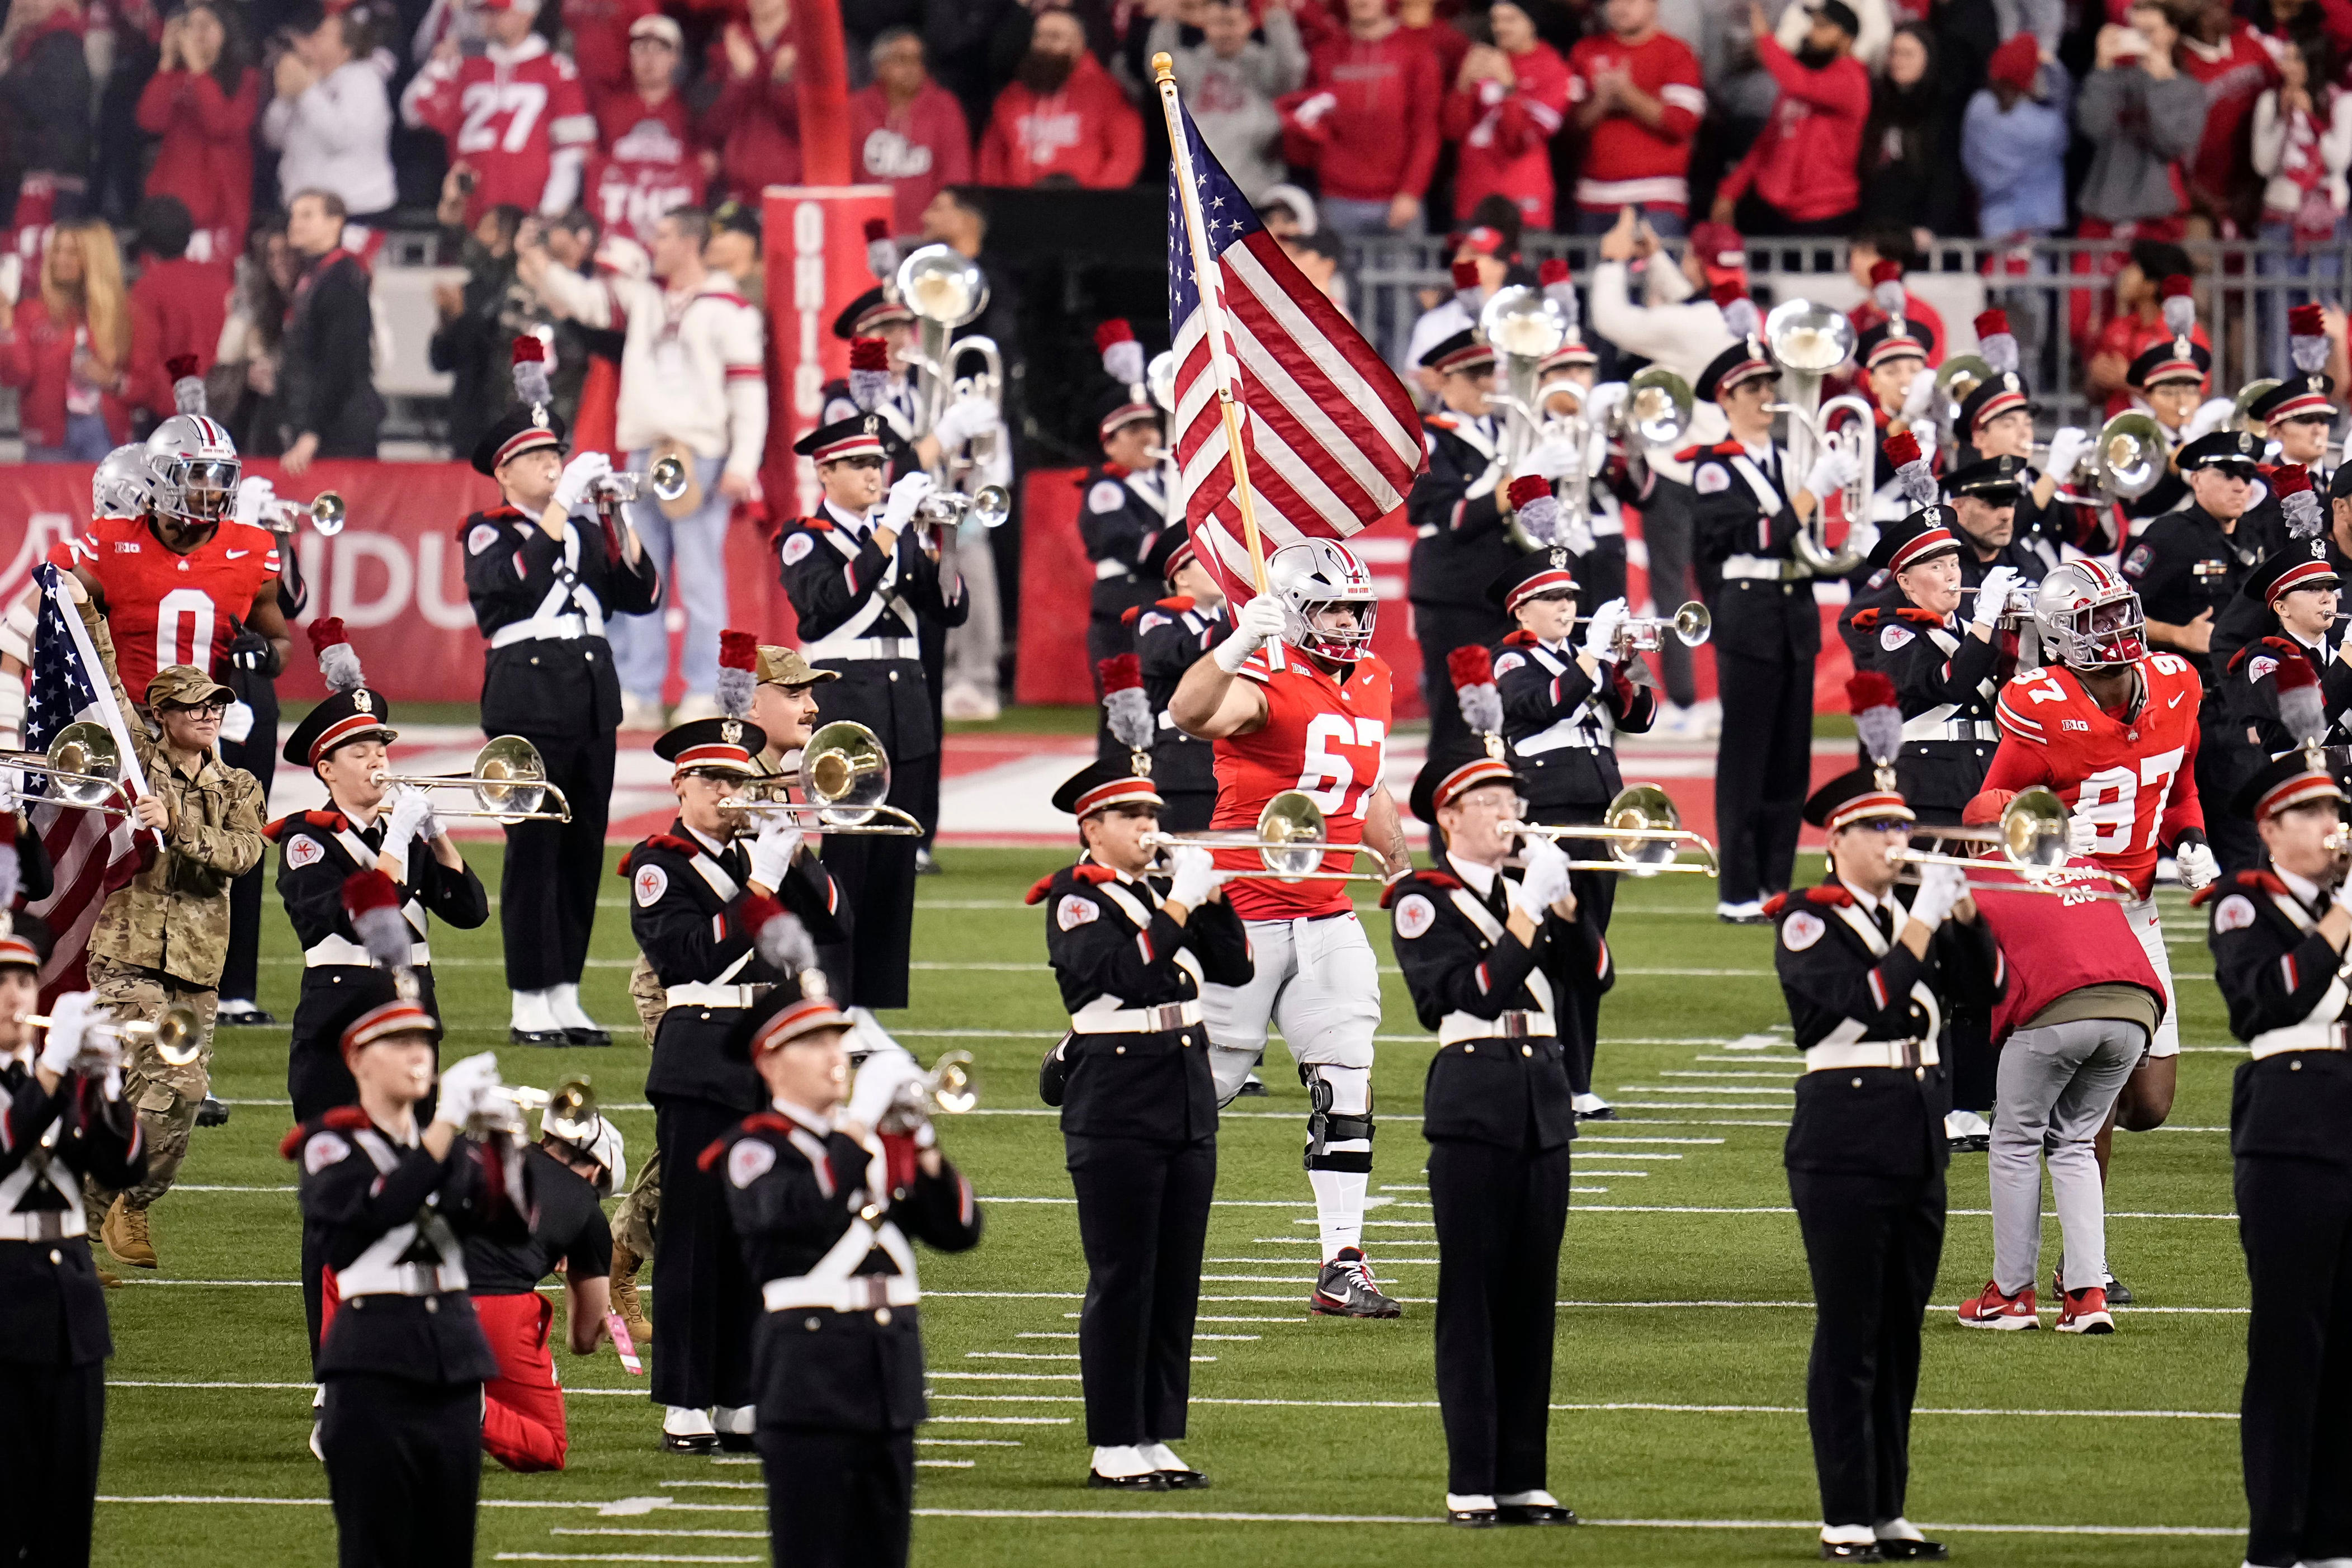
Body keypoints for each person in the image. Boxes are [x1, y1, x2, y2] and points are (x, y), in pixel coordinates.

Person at [1169, 540, 1414, 1317]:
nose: (1349, 623)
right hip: (1242, 911)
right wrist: (1240, 640)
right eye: (1332, 609)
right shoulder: (1262, 675)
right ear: (1297, 612)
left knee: (1347, 1075)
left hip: (1326, 911)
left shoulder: (1373, 677)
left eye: (1355, 608)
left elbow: (1365, 784)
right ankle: (1100, 1058)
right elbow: (1188, 712)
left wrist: (1400, 864)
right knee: (1207, 1083)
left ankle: (1342, 1262)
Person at [1770, 763, 1997, 1562]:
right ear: (1837, 840)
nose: (1897, 841)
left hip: (1915, 1136)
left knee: (1901, 1334)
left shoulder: (1916, 913)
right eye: (1879, 828)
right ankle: (1845, 1514)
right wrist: (1924, 921)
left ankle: (1887, 1509)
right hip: (1843, 1138)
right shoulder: (1807, 917)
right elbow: (1865, 1001)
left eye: (1902, 826)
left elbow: (1986, 990)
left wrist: (1963, 913)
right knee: (1850, 1330)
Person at [1985, 559, 2212, 1304]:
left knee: (2150, 1104)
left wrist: (2189, 838)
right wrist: (2044, 827)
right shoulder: (2041, 705)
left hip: (2137, 907)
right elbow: (1986, 804)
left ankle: (2068, 1193)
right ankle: (2084, 1267)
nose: (2116, 629)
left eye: (2120, 612)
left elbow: (2180, 783)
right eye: (2095, 620)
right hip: (2073, 906)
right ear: (2060, 637)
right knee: (2098, 1096)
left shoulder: (2176, 684)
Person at [626, 702, 844, 1453]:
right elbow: (692, 957)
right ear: (681, 786)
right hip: (700, 1052)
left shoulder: (763, 852)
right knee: (693, 1235)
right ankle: (686, 1398)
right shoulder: (658, 863)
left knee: (761, 1228)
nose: (729, 793)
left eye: (738, 780)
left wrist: (799, 853)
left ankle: (741, 1394)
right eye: (713, 780)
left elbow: (838, 922)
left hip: (770, 1057)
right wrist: (761, 884)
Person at [270, 618, 491, 1349]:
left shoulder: (404, 831)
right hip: (339, 1026)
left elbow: (470, 910)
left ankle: (406, 1342)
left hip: (410, 1020)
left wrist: (437, 834)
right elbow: (360, 915)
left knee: (419, 1185)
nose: (378, 761)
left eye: (381, 748)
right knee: (336, 1199)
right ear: (326, 766)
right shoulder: (306, 839)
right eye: (361, 750)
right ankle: (331, 1365)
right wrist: (398, 841)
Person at [1033, 751, 1249, 1490]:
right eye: (1132, 815)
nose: (1148, 827)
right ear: (1092, 827)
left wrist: (1211, 898)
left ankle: (1154, 1433)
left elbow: (1235, 968)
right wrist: (1180, 905)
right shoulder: (1075, 897)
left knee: (1175, 1278)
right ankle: (1113, 1441)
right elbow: (1124, 976)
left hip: (1182, 1095)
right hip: (1117, 1100)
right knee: (1124, 1275)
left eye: (1153, 814)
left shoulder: (1160, 892)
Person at [1390, 751, 1593, 1528]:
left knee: (1532, 1299)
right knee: (1472, 1297)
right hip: (1472, 1102)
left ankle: (1522, 1477)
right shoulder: (1422, 899)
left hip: (1542, 1101)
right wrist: (1529, 912)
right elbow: (1468, 994)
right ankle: (1471, 1479)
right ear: (1448, 816)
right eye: (1492, 799)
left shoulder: (1526, 891)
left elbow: (1594, 977)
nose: (1511, 811)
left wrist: (1564, 906)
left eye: (1514, 797)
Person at [716, 994, 983, 1567]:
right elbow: (801, 1213)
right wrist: (859, 1122)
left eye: (838, 1040)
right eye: (814, 1043)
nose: (835, 1055)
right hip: (809, 1384)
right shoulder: (754, 1146)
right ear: (770, 1062)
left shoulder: (870, 1143)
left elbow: (959, 1229)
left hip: (890, 1381)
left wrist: (922, 1142)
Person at [459, 346, 662, 1046]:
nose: (553, 465)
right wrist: (566, 504)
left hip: (589, 696)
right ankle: (528, 997)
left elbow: (640, 593)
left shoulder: (580, 527)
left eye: (557, 454)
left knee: (582, 849)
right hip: (528, 695)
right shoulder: (489, 530)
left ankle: (566, 993)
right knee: (534, 848)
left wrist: (615, 515)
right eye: (538, 456)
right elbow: (516, 581)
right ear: (505, 470)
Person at [66, 583, 263, 1277]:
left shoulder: (239, 786)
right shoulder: (134, 763)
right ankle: (118, 1208)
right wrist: (85, 610)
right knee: (177, 1082)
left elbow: (244, 854)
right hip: (126, 957)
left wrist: (177, 825)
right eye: (196, 705)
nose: (210, 713)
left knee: (160, 1103)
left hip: (198, 969)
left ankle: (91, 1217)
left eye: (216, 704)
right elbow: (106, 685)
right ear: (163, 714)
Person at [290, 998, 529, 1567]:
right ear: (358, 1059)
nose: (418, 1054)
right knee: (377, 1548)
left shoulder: (452, 1148)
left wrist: (505, 1144)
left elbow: (514, 1228)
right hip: (373, 1361)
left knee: (449, 1549)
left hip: (454, 1359)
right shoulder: (330, 1144)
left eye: (423, 1042)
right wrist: (446, 1125)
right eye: (398, 1043)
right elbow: (381, 1208)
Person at [521, 206, 769, 728]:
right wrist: (541, 266)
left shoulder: (729, 308)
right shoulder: (645, 298)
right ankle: (640, 688)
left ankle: (704, 689)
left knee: (701, 579)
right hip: (641, 452)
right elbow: (585, 302)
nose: (654, 244)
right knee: (638, 573)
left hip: (700, 453)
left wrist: (744, 461)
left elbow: (749, 390)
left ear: (690, 243)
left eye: (665, 235)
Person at [2202, 749, 2352, 1568]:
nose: (2333, 826)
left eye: (2336, 810)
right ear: (2269, 828)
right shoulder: (2243, 902)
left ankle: (2332, 1537)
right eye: (2314, 812)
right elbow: (2269, 998)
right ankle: (2274, 1542)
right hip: (2291, 1127)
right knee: (2290, 1344)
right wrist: (2342, 915)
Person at [1953, 786, 2167, 1335]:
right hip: (2137, 1010)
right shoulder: (2087, 865)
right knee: (2075, 1143)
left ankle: (2010, 1295)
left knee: (2015, 1141)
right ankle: (2087, 1293)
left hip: (2059, 1008)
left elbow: (1965, 975)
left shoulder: (1980, 874)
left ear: (1976, 840)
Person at [777, 417, 969, 1012]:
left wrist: (943, 541)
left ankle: (868, 1008)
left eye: (877, 464)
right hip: (849, 705)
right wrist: (890, 529)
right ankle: (834, 1000)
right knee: (848, 863)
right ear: (825, 471)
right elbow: (826, 604)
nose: (873, 475)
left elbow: (949, 609)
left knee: (893, 866)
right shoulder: (804, 537)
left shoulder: (901, 535)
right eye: (859, 465)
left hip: (904, 704)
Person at [1689, 332, 1857, 921]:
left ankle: (1774, 884)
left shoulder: (1790, 460)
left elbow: (1806, 540)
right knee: (1746, 759)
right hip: (1750, 611)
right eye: (1753, 388)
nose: (1767, 396)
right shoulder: (1714, 467)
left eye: (1769, 385)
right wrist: (1813, 493)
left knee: (1790, 762)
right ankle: (1738, 889)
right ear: (1726, 398)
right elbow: (1752, 536)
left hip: (1794, 613)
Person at [1485, 550, 1651, 1118]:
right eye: (1552, 598)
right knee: (1545, 952)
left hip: (1602, 817)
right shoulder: (1512, 660)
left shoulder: (1589, 658)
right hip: (1545, 818)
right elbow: (1543, 704)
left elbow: (1640, 718)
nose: (1566, 606)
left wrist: (1628, 663)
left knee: (1587, 949)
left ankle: (1578, 1082)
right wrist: (1593, 655)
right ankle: (1535, 1074)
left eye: (1571, 597)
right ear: (1521, 610)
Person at [0, 930, 144, 1568]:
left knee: (66, 1519)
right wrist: (55, 1067)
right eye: (1, 984)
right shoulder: (45, 1077)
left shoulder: (55, 1078)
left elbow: (123, 1169)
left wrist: (107, 1084)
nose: (15, 997)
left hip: (70, 1315)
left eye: (24, 982)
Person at [2122, 429, 2271, 872]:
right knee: (2149, 846)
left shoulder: (2256, 537)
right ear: (2196, 478)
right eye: (2227, 474)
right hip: (2175, 712)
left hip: (2236, 712)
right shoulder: (2170, 535)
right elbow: (2116, 616)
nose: (2240, 486)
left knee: (2246, 849)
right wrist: (2178, 635)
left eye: (2246, 475)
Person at [463, 1084, 622, 1471]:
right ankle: (462, 1405)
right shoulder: (585, 1208)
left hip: (399, 1293)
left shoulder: (476, 1151)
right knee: (548, 1446)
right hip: (492, 1309)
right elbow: (582, 1340)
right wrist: (601, 1325)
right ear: (596, 1172)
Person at [1407, 329, 1519, 755]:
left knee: (1512, 720)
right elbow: (1447, 515)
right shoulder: (1430, 438)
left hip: (1507, 593)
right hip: (1454, 596)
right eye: (1476, 375)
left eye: (1491, 372)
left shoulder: (1513, 432)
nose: (1489, 384)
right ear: (1443, 379)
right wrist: (1509, 483)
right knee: (1458, 723)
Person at [402, 0, 594, 224]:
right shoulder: (465, 63)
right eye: (488, 12)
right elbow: (413, 115)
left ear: (527, 13)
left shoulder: (557, 69)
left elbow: (572, 153)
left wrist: (549, 212)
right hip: (467, 210)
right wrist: (439, 66)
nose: (490, 19)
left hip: (528, 215)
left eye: (499, 12)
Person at [1281, 0, 1443, 235]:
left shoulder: (1416, 51)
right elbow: (1308, 119)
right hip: (1338, 196)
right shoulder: (1325, 53)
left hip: (1398, 200)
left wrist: (1411, 191)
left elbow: (1426, 130)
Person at [1711, 0, 1871, 236]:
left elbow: (1801, 84)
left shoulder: (1851, 78)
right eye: (1813, 24)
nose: (1813, 32)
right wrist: (1730, 191)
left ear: (1847, 37)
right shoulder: (1805, 77)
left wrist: (1764, 37)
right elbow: (1766, 143)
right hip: (1778, 211)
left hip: (1826, 214)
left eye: (1823, 26)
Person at [2075, 10, 2207, 261]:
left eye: (2150, 31)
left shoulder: (2189, 89)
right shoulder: (2110, 79)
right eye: (2136, 30)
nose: (2142, 37)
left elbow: (2171, 145)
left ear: (2171, 33)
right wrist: (2102, 65)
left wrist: (2161, 85)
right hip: (2103, 213)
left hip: (2158, 217)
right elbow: (2093, 128)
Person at [1565, 0, 1706, 234]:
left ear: (1653, 5)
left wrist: (1628, 95)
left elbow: (1683, 122)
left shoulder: (1677, 53)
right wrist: (1600, 102)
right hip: (1593, 200)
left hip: (1656, 200)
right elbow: (1567, 126)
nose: (1620, 7)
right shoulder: (1585, 50)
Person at [135, 1, 258, 263]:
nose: (196, 35)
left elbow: (220, 124)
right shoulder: (175, 77)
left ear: (226, 31)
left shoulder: (246, 79)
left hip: (220, 210)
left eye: (205, 26)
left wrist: (199, 70)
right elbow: (150, 121)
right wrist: (166, 62)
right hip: (172, 203)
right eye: (190, 27)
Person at [1148, 0, 1303, 204]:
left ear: (1249, 23)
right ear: (1205, 26)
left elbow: (1291, 70)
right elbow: (1159, 74)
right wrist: (1167, 21)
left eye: (1231, 23)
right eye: (1216, 24)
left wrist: (1277, 19)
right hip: (1200, 191)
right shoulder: (1193, 64)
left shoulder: (1263, 66)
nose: (1224, 33)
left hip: (1256, 192)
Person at [0, 220, 130, 461]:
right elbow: (15, 376)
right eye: (57, 251)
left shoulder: (118, 313)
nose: (60, 259)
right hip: (48, 435)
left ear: (92, 258)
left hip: (104, 430)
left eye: (72, 253)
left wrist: (114, 381)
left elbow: (144, 381)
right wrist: (6, 326)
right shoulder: (32, 312)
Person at [1131, 529, 1231, 835]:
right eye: (1206, 561)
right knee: (1187, 854)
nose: (1219, 569)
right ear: (1181, 577)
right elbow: (1171, 654)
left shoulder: (1229, 622)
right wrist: (1240, 631)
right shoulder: (1157, 617)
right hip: (1185, 762)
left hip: (1234, 755)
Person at [277, 191, 385, 474]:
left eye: (307, 215)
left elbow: (341, 361)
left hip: (340, 430)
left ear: (335, 222)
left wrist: (312, 432)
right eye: (293, 216)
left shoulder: (342, 279)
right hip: (324, 423)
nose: (295, 223)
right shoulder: (315, 275)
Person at [976, 8, 1144, 190]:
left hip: (1087, 202)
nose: (1045, 44)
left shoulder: (1107, 93)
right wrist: (1001, 199)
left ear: (1079, 44)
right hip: (1018, 203)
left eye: (1055, 37)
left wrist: (1095, 200)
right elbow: (992, 156)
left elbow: (1126, 155)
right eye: (1039, 36)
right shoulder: (1013, 95)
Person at [1441, 2, 1570, 230]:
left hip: (1524, 200)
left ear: (1532, 23)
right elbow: (1452, 131)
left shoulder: (1552, 68)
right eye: (1496, 20)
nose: (1500, 27)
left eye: (1510, 20)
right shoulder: (1482, 60)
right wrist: (1463, 85)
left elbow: (1520, 141)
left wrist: (1509, 87)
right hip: (1473, 197)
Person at [586, 15, 707, 250]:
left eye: (660, 50)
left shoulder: (692, 111)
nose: (649, 59)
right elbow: (592, 158)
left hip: (669, 226)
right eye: (640, 50)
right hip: (618, 226)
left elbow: (706, 161)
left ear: (675, 58)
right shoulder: (609, 108)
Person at [850, 29, 975, 235]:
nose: (912, 68)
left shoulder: (944, 107)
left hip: (926, 235)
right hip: (866, 233)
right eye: (902, 60)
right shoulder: (855, 109)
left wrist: (941, 222)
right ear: (880, 66)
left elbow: (956, 174)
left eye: (917, 60)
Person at [1963, 34, 2072, 249]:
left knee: (1997, 269)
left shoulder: (1979, 107)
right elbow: (2065, 126)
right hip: (2036, 220)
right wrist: (2054, 68)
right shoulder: (2042, 124)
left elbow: (1969, 160)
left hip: (1993, 216)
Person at [1856, 24, 1963, 240]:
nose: (1897, 61)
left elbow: (1946, 177)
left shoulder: (1942, 110)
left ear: (1928, 59)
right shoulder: (1877, 103)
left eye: (1907, 54)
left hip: (1921, 229)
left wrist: (1931, 226)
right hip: (1878, 224)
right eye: (1893, 53)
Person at [705, 0, 802, 200]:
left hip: (793, 192)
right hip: (738, 193)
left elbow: (822, 125)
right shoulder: (729, 43)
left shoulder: (811, 42)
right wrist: (740, 79)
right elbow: (711, 128)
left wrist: (782, 84)